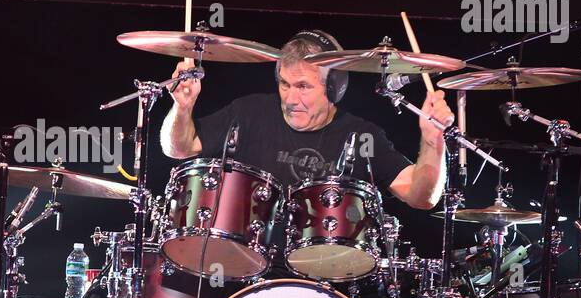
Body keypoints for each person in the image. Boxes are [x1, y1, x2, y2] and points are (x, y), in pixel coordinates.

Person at [159, 30, 453, 209]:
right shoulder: (248, 113)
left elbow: (421, 197)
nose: (290, 98)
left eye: (303, 87)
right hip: (246, 270)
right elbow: (179, 149)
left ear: (334, 86)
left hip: (326, 278)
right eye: (285, 84)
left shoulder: (361, 136)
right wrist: (182, 108)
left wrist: (432, 142)